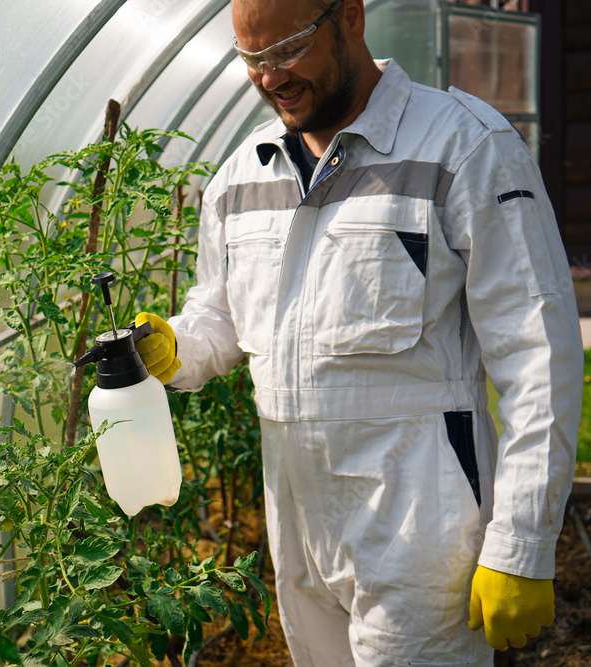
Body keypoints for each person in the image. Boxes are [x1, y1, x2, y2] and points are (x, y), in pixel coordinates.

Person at [133, 0, 583, 664]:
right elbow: (220, 315)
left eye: (285, 50)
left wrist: (523, 542)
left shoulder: (462, 146)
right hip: (298, 530)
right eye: (251, 59)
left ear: (350, 16)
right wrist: (176, 345)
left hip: (421, 536)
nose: (269, 77)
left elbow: (536, 350)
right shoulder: (240, 175)